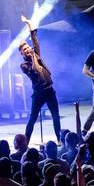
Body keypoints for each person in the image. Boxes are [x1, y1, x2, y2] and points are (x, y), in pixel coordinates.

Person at [19, 14, 64, 143]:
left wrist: (28, 24)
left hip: (49, 91)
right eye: (25, 50)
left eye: (28, 48)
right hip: (38, 94)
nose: (28, 50)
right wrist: (33, 56)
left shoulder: (36, 54)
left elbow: (34, 39)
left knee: (56, 116)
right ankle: (25, 142)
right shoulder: (24, 65)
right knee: (33, 118)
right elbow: (35, 70)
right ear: (21, 53)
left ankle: (59, 139)